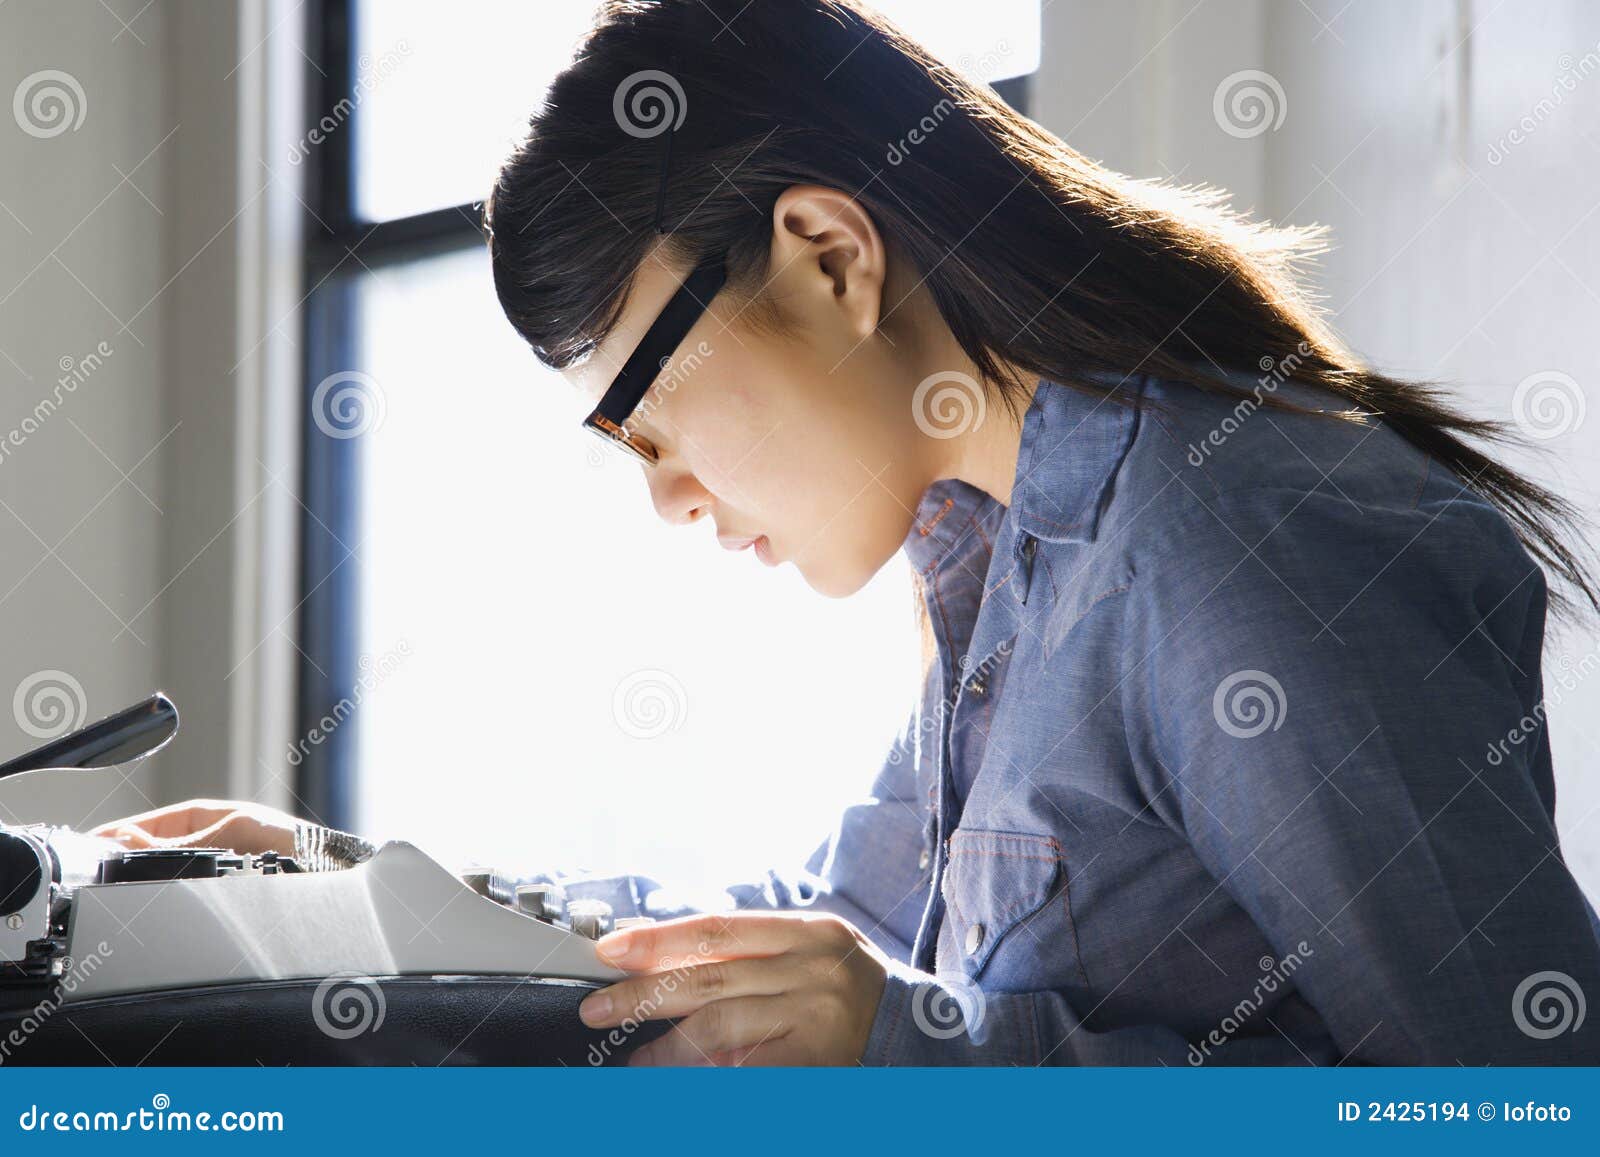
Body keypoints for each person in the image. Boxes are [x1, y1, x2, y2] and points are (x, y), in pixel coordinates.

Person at [97, 0, 1600, 1066]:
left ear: (827, 256)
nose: (666, 497)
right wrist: (366, 886)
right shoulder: (1003, 562)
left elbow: (1525, 1097)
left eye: (648, 416)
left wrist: (921, 1055)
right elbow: (812, 939)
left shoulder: (1231, 544)